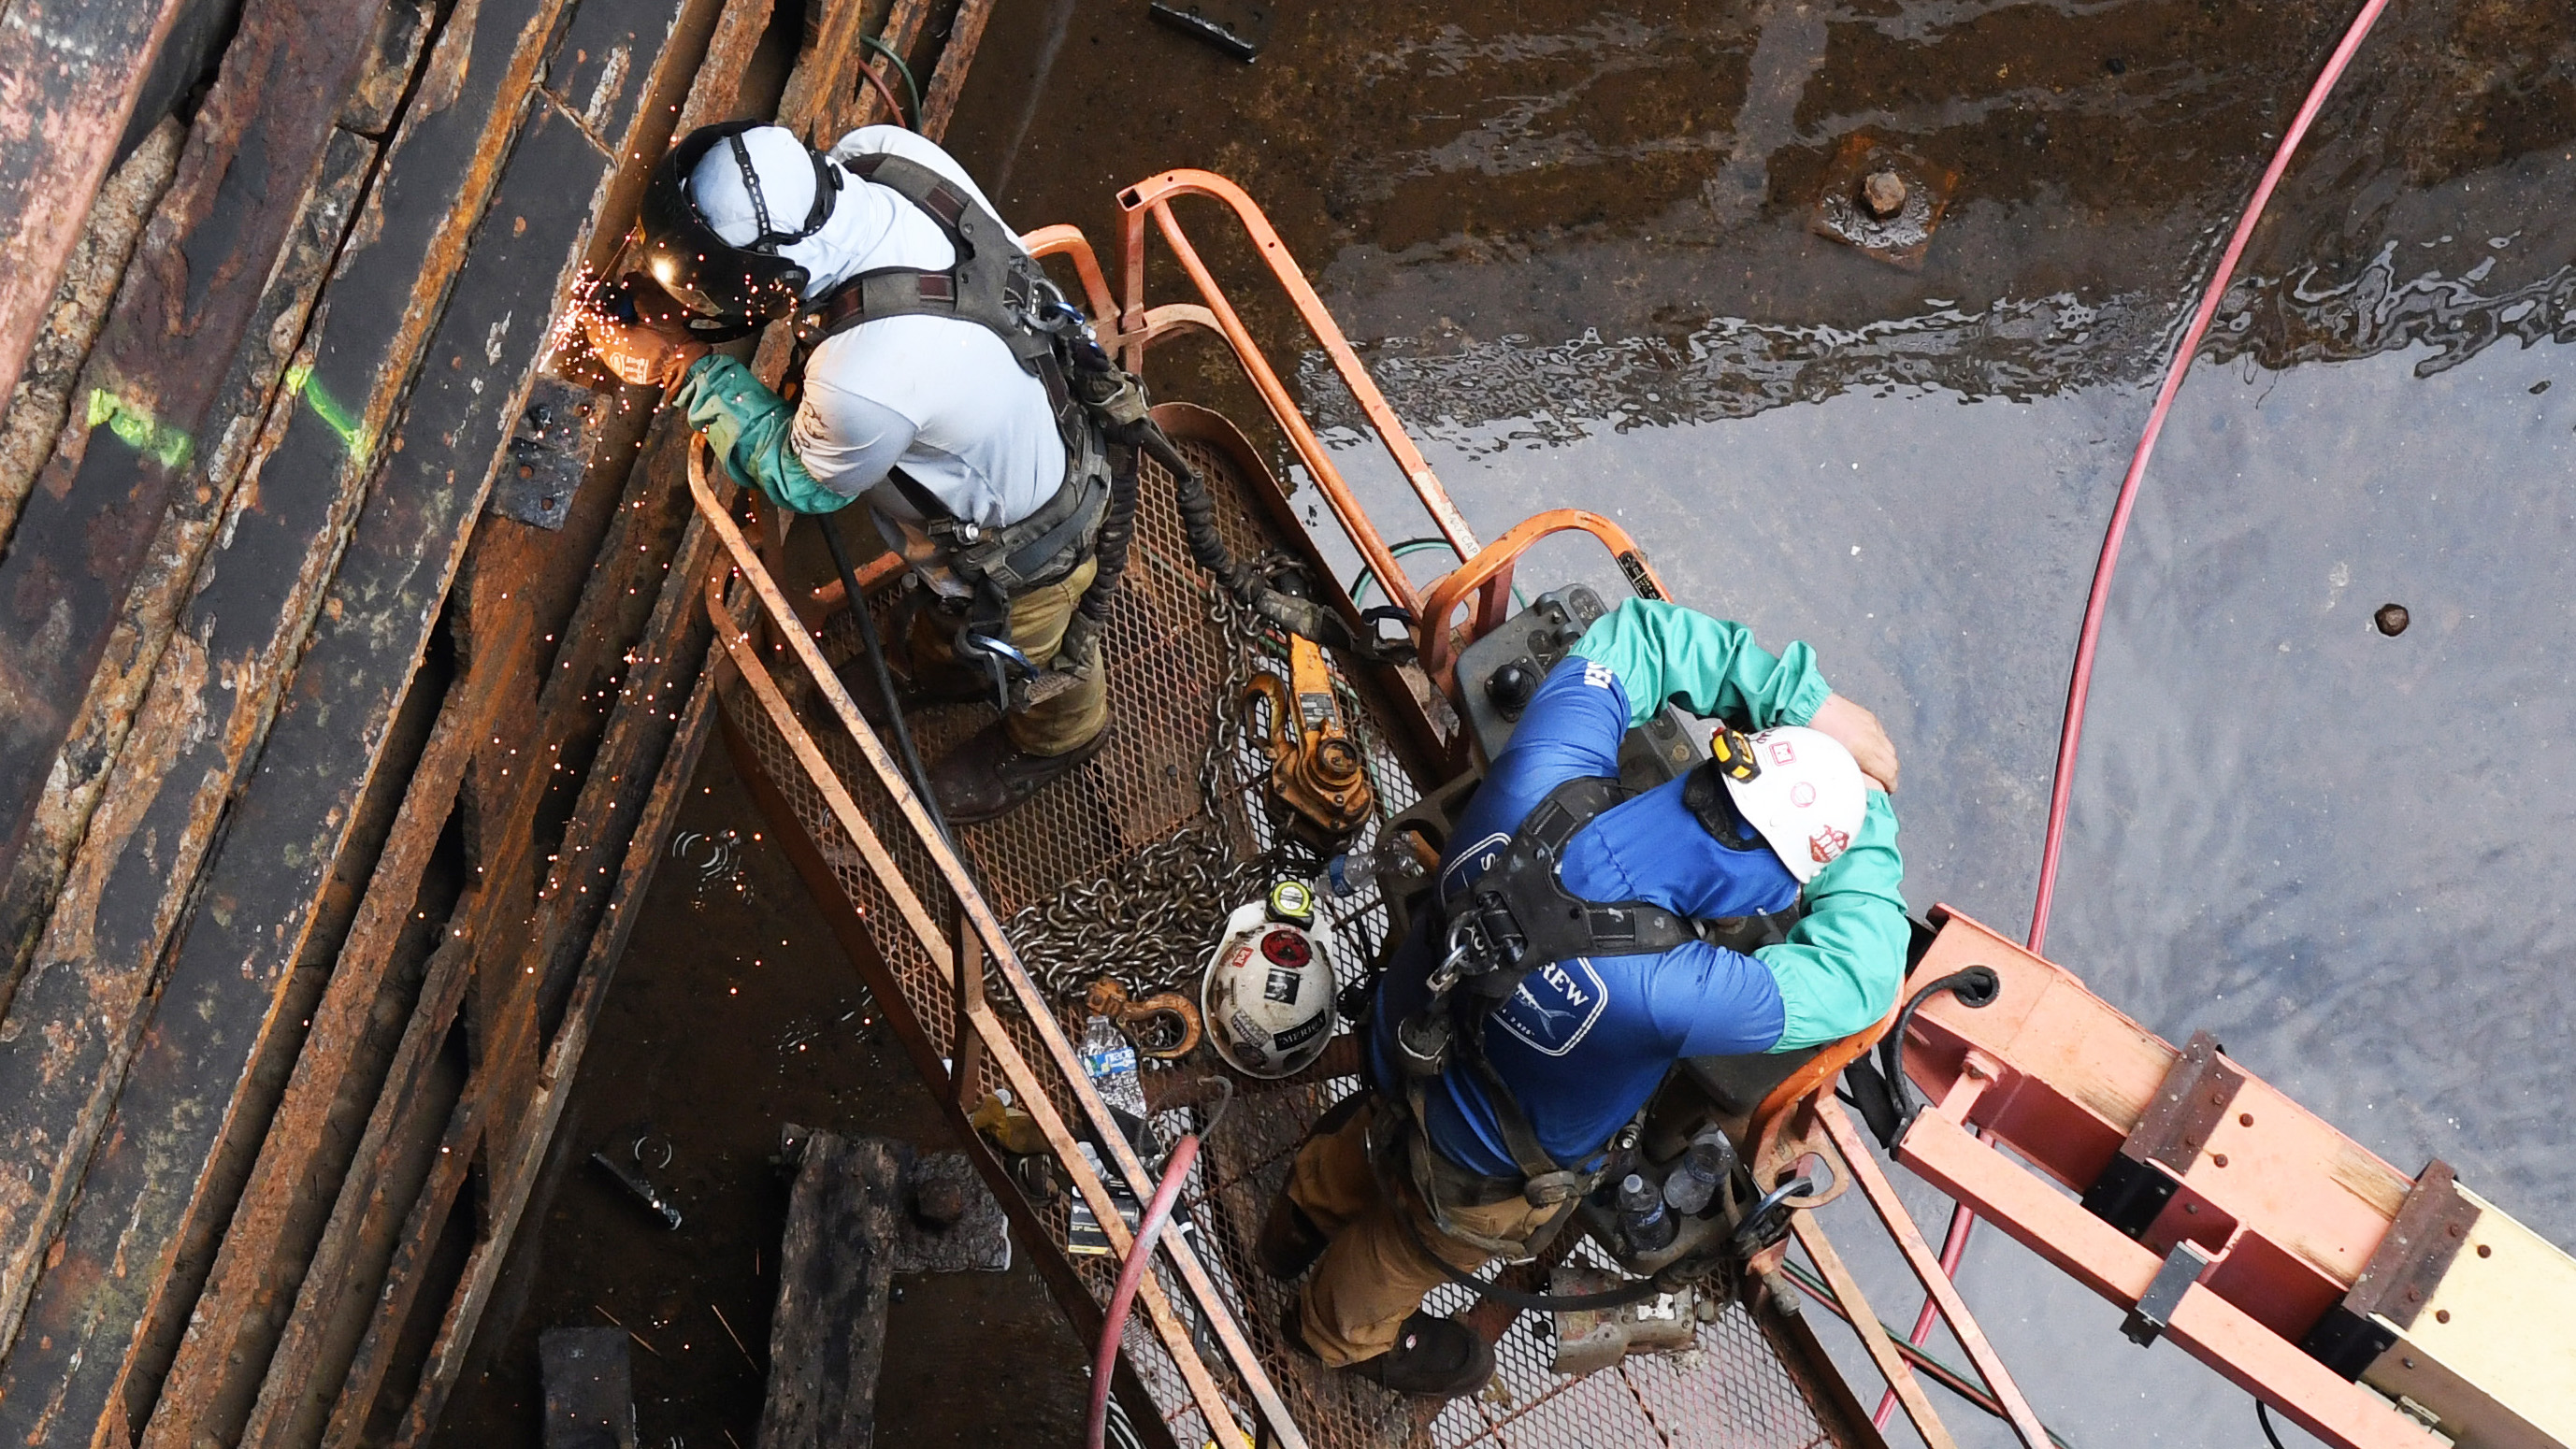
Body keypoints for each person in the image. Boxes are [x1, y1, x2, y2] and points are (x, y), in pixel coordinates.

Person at [1255, 598, 1909, 1397]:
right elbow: (1860, 975)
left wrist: (1805, 705)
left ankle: (1293, 1225)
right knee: (1402, 1247)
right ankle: (1331, 1337)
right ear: (1777, 880)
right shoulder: (1672, 990)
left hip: (1405, 1042)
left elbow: (1637, 638)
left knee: (1360, 1147)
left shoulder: (1547, 767)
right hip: (1474, 1169)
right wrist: (1866, 817)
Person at [582, 121, 1118, 824]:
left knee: (1030, 650)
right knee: (948, 615)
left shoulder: (860, 377)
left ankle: (1057, 740)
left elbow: (803, 479)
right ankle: (939, 670)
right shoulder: (880, 153)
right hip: (1051, 412)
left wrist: (682, 363)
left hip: (1028, 548)